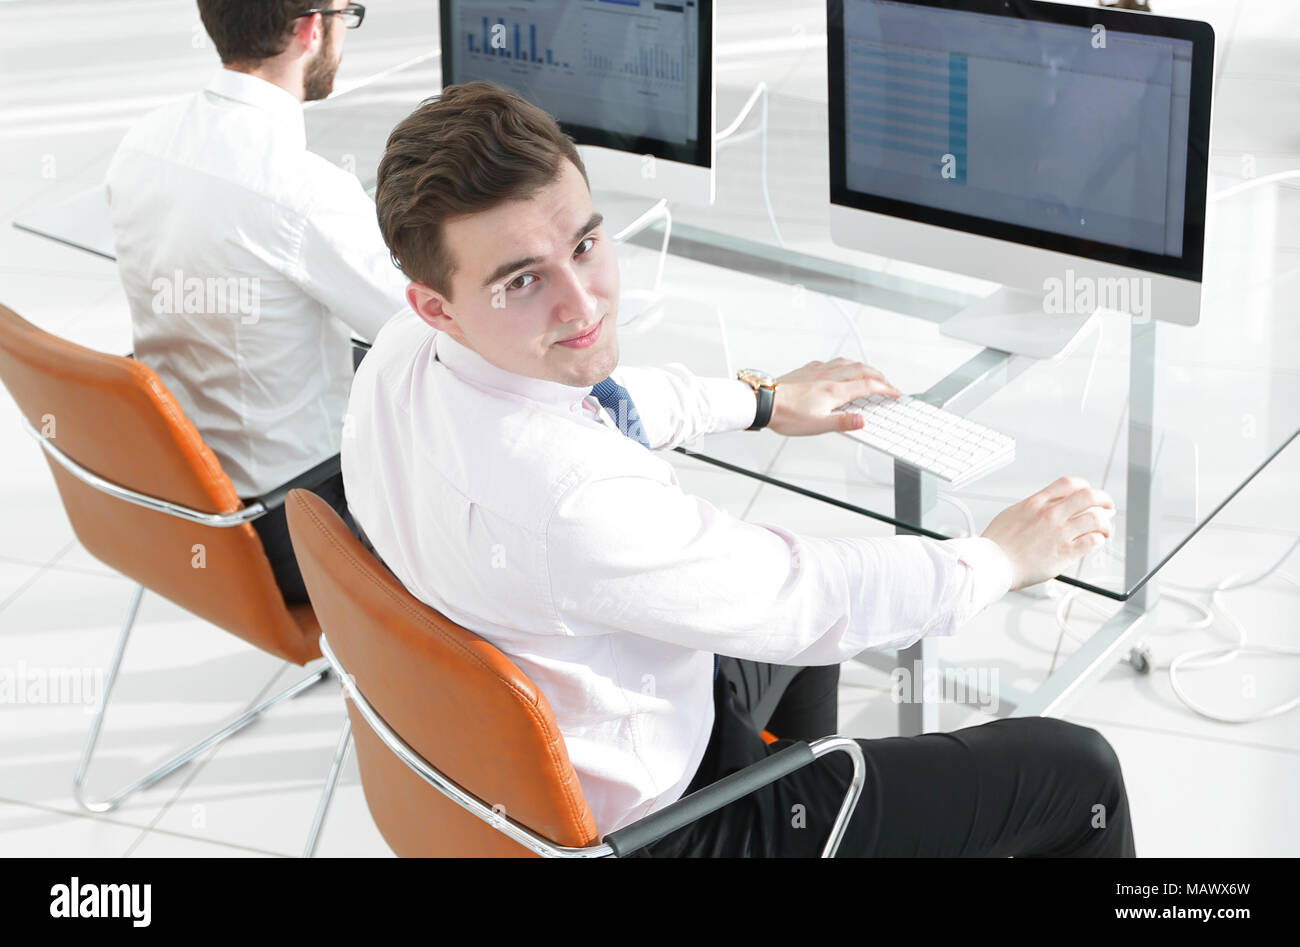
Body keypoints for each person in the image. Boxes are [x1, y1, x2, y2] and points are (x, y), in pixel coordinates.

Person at [344, 81, 1135, 857]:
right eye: (523, 280)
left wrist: (757, 400)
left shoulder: (400, 353)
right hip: (668, 822)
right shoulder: (571, 501)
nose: (582, 305)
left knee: (789, 636)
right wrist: (996, 560)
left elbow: (597, 402)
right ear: (437, 305)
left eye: (585, 244)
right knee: (1080, 775)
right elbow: (810, 598)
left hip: (525, 764)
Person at [106, 1, 404, 602]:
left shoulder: (144, 141)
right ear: (309, 28)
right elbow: (432, 327)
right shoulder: (301, 190)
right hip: (293, 524)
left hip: (182, 496)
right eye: (349, 12)